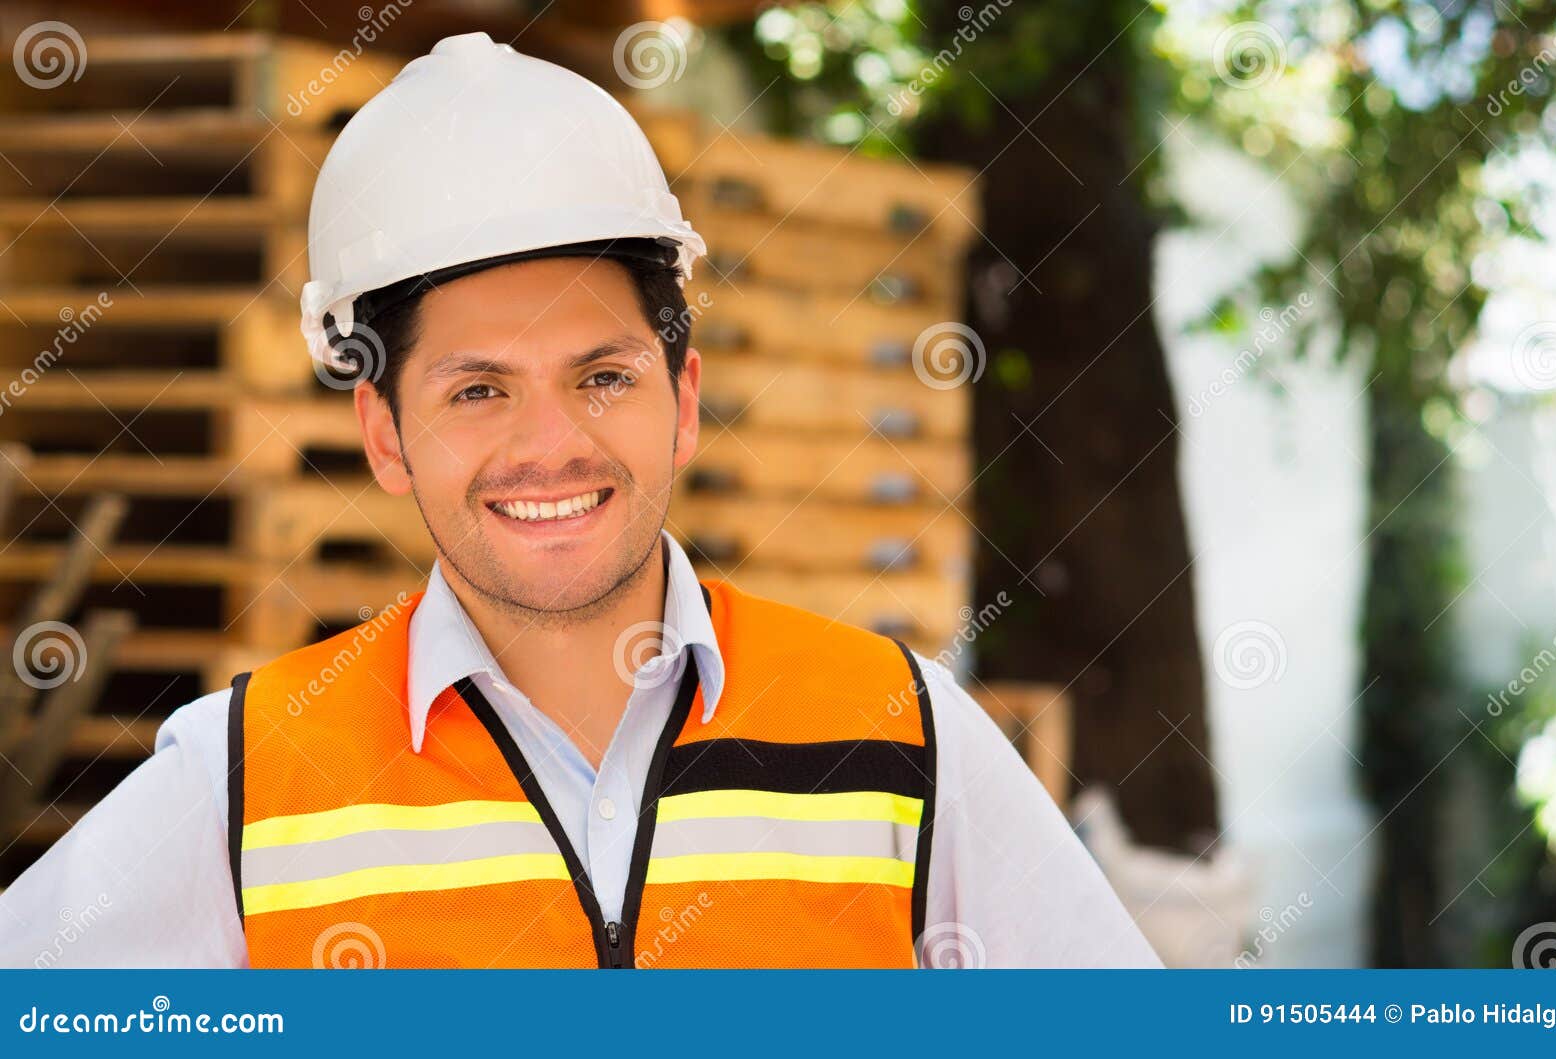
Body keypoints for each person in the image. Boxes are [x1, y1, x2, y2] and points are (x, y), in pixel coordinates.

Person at [0, 32, 1160, 969]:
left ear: (683, 400)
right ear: (383, 433)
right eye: (477, 391)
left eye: (602, 378)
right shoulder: (243, 774)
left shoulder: (900, 734)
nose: (548, 446)